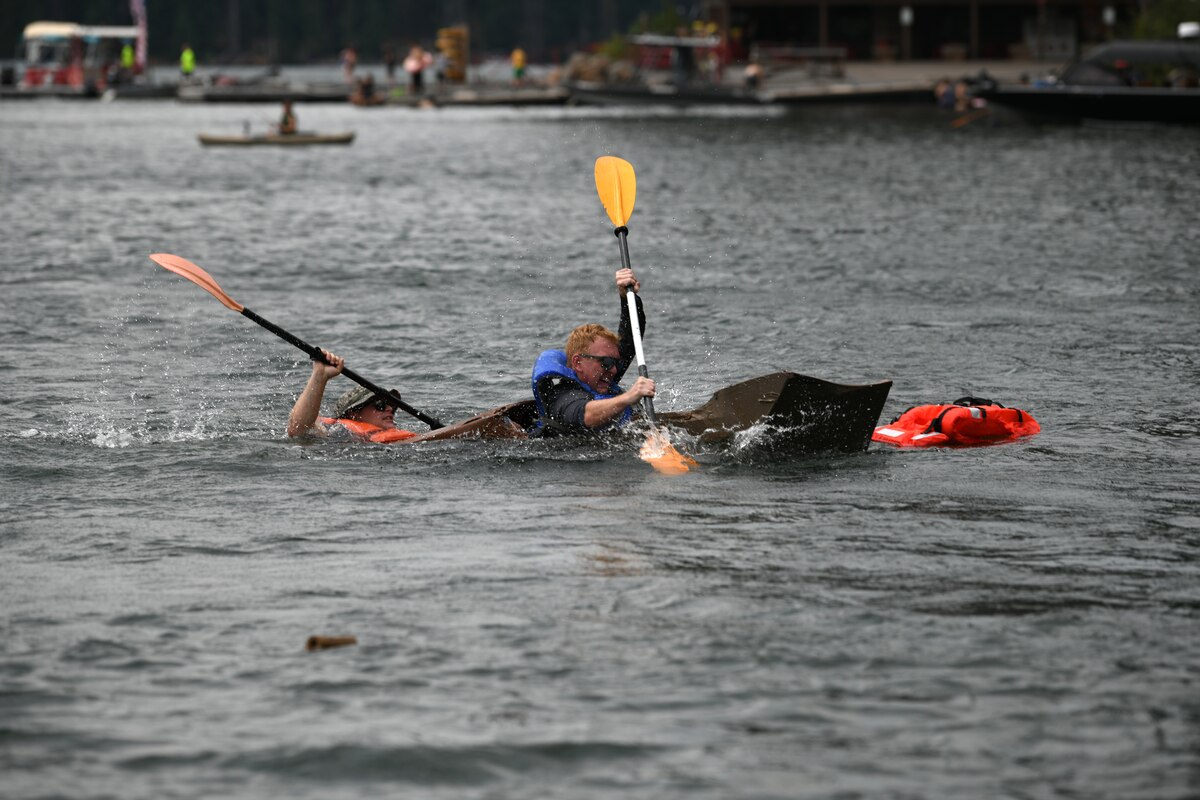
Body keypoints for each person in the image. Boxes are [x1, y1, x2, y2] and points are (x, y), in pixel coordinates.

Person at [530, 268, 655, 436]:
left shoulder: (601, 380)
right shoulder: (564, 397)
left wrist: (627, 297)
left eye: (615, 363)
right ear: (578, 363)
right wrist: (629, 396)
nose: (614, 370)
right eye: (606, 363)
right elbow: (586, 415)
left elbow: (631, 338)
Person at [287, 350, 416, 443]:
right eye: (380, 405)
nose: (389, 409)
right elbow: (297, 429)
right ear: (353, 413)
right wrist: (320, 375)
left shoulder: (393, 435)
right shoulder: (338, 432)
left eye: (392, 406)